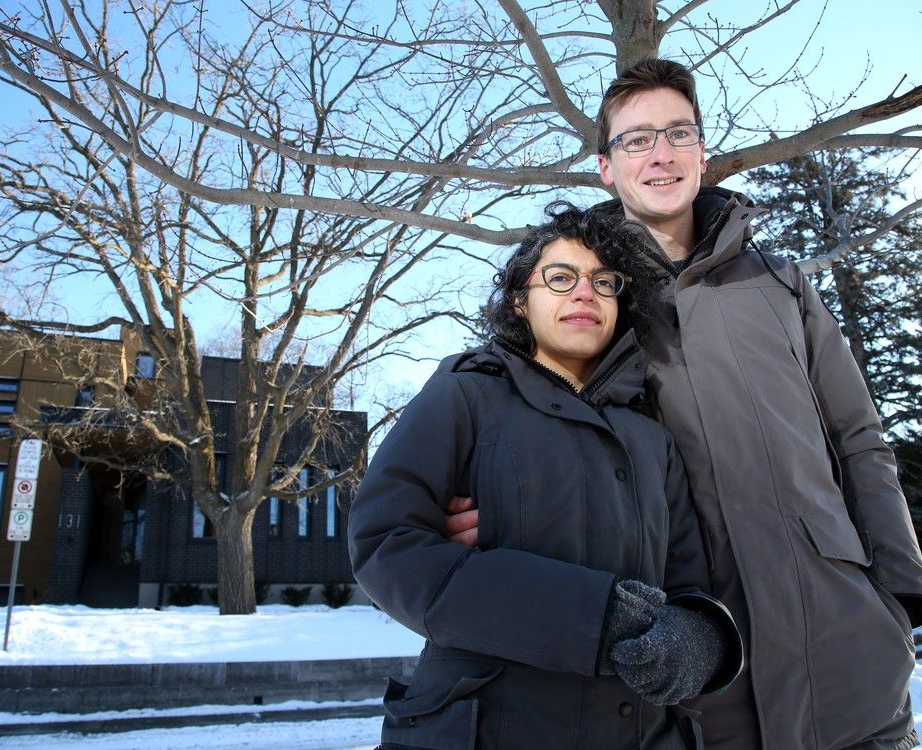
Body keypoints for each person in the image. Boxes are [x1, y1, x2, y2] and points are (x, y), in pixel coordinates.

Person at [445, 59, 922, 750]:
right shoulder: (585, 302)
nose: (660, 153)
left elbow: (858, 438)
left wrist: (899, 596)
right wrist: (485, 502)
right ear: (606, 167)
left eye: (677, 133)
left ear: (703, 152)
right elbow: (523, 427)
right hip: (694, 676)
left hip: (850, 663)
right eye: (636, 140)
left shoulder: (782, 287)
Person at [348, 204, 743, 749]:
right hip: (484, 728)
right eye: (561, 277)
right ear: (519, 300)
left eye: (604, 282)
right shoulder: (464, 395)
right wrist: (591, 618)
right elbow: (386, 544)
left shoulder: (653, 437)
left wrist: (699, 636)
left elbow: (690, 580)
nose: (585, 293)